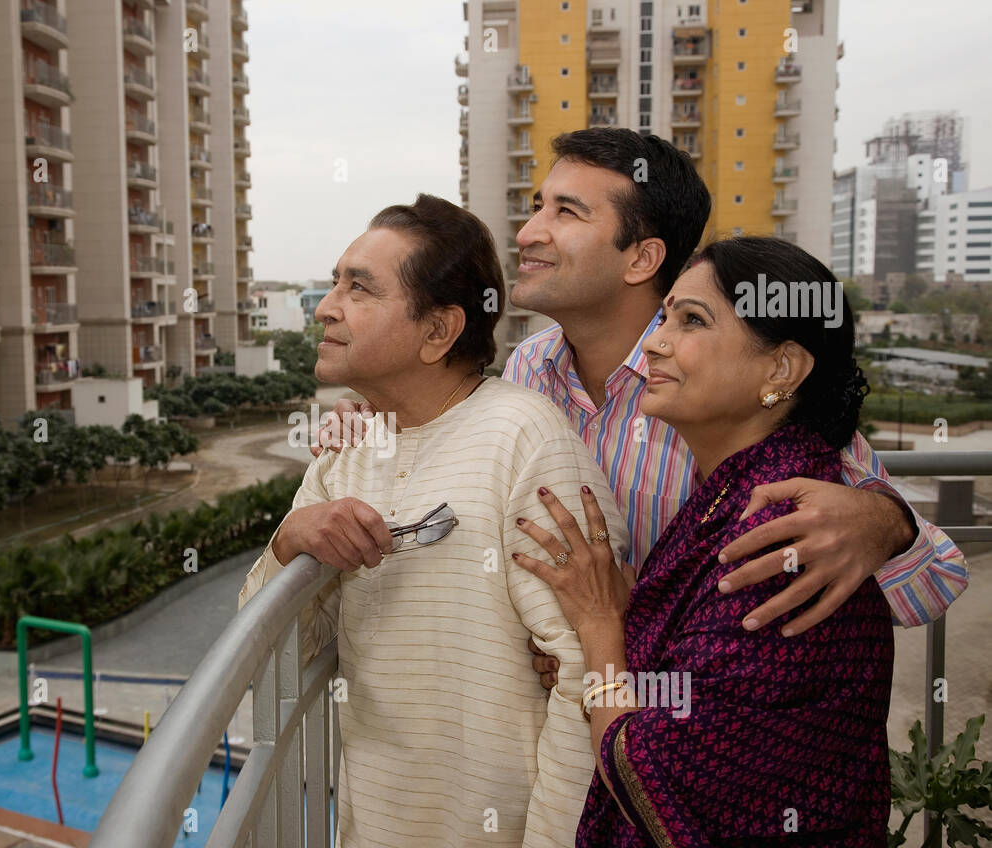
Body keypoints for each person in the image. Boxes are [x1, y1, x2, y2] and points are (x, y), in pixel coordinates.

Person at [319, 128, 966, 652]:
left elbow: (935, 580)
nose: (527, 232)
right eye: (538, 205)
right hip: (571, 744)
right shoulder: (528, 369)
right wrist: (374, 420)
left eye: (566, 212)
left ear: (642, 259)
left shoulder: (719, 381)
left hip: (689, 757)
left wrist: (885, 521)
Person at [237, 194, 631, 848]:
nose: (326, 307)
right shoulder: (349, 451)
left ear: (439, 331)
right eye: (334, 281)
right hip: (374, 842)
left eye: (359, 288)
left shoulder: (525, 440)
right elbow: (271, 650)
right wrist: (293, 539)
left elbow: (582, 679)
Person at [512, 236, 895, 848]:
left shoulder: (780, 539)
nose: (656, 343)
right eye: (664, 317)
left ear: (781, 370)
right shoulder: (735, 494)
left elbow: (647, 763)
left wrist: (602, 625)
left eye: (692, 321)